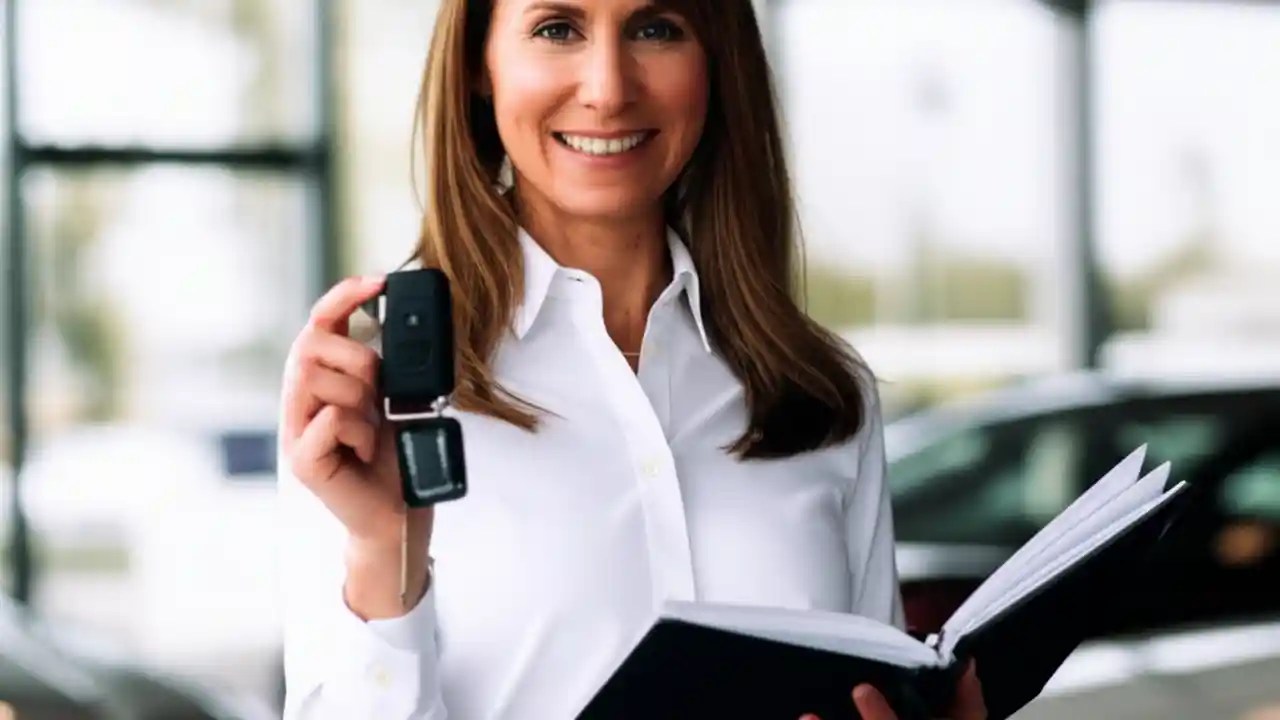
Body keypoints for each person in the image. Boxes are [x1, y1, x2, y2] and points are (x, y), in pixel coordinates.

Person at [277, 0, 987, 718]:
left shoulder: (821, 391)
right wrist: (384, 553)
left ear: (716, 65)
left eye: (656, 29)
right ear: (478, 69)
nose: (609, 89)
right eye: (557, 29)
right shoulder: (373, 402)